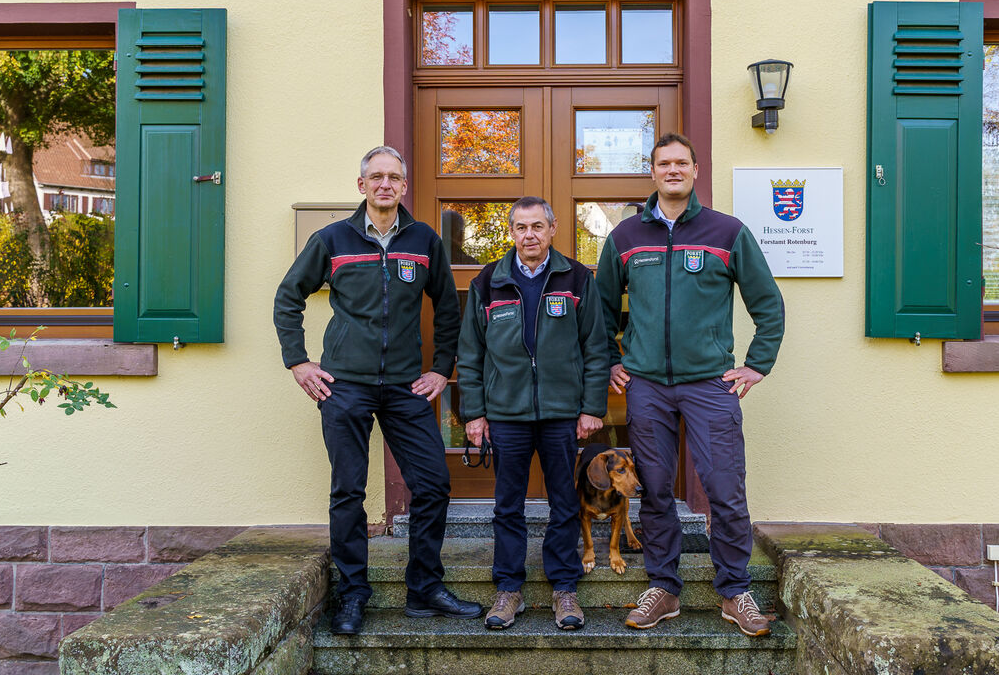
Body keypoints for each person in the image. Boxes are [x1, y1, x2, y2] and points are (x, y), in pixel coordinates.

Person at [273, 145, 481, 634]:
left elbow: (449, 309)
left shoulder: (425, 241)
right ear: (361, 185)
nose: (385, 184)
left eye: (394, 177)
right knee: (348, 491)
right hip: (344, 386)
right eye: (376, 177)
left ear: (404, 187)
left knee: (432, 484)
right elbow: (288, 297)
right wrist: (299, 363)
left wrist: (440, 369)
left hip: (407, 386)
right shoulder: (333, 239)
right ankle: (353, 594)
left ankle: (424, 588)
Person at [594, 132, 784, 637]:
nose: (673, 170)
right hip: (648, 388)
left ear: (696, 170)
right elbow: (600, 312)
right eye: (663, 163)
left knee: (724, 489)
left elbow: (768, 304)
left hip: (709, 385)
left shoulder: (727, 231)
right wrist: (614, 359)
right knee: (654, 490)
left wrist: (756, 364)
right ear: (652, 172)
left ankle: (735, 592)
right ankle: (663, 589)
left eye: (682, 162)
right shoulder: (626, 237)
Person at [456, 196, 609, 632]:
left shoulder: (577, 278)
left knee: (564, 502)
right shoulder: (489, 281)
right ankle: (508, 590)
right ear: (512, 232)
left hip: (562, 413)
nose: (529, 235)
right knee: (508, 505)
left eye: (537, 227)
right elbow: (471, 354)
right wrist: (475, 414)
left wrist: (591, 407)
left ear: (553, 228)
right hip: (506, 414)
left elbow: (595, 347)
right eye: (521, 227)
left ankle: (564, 590)